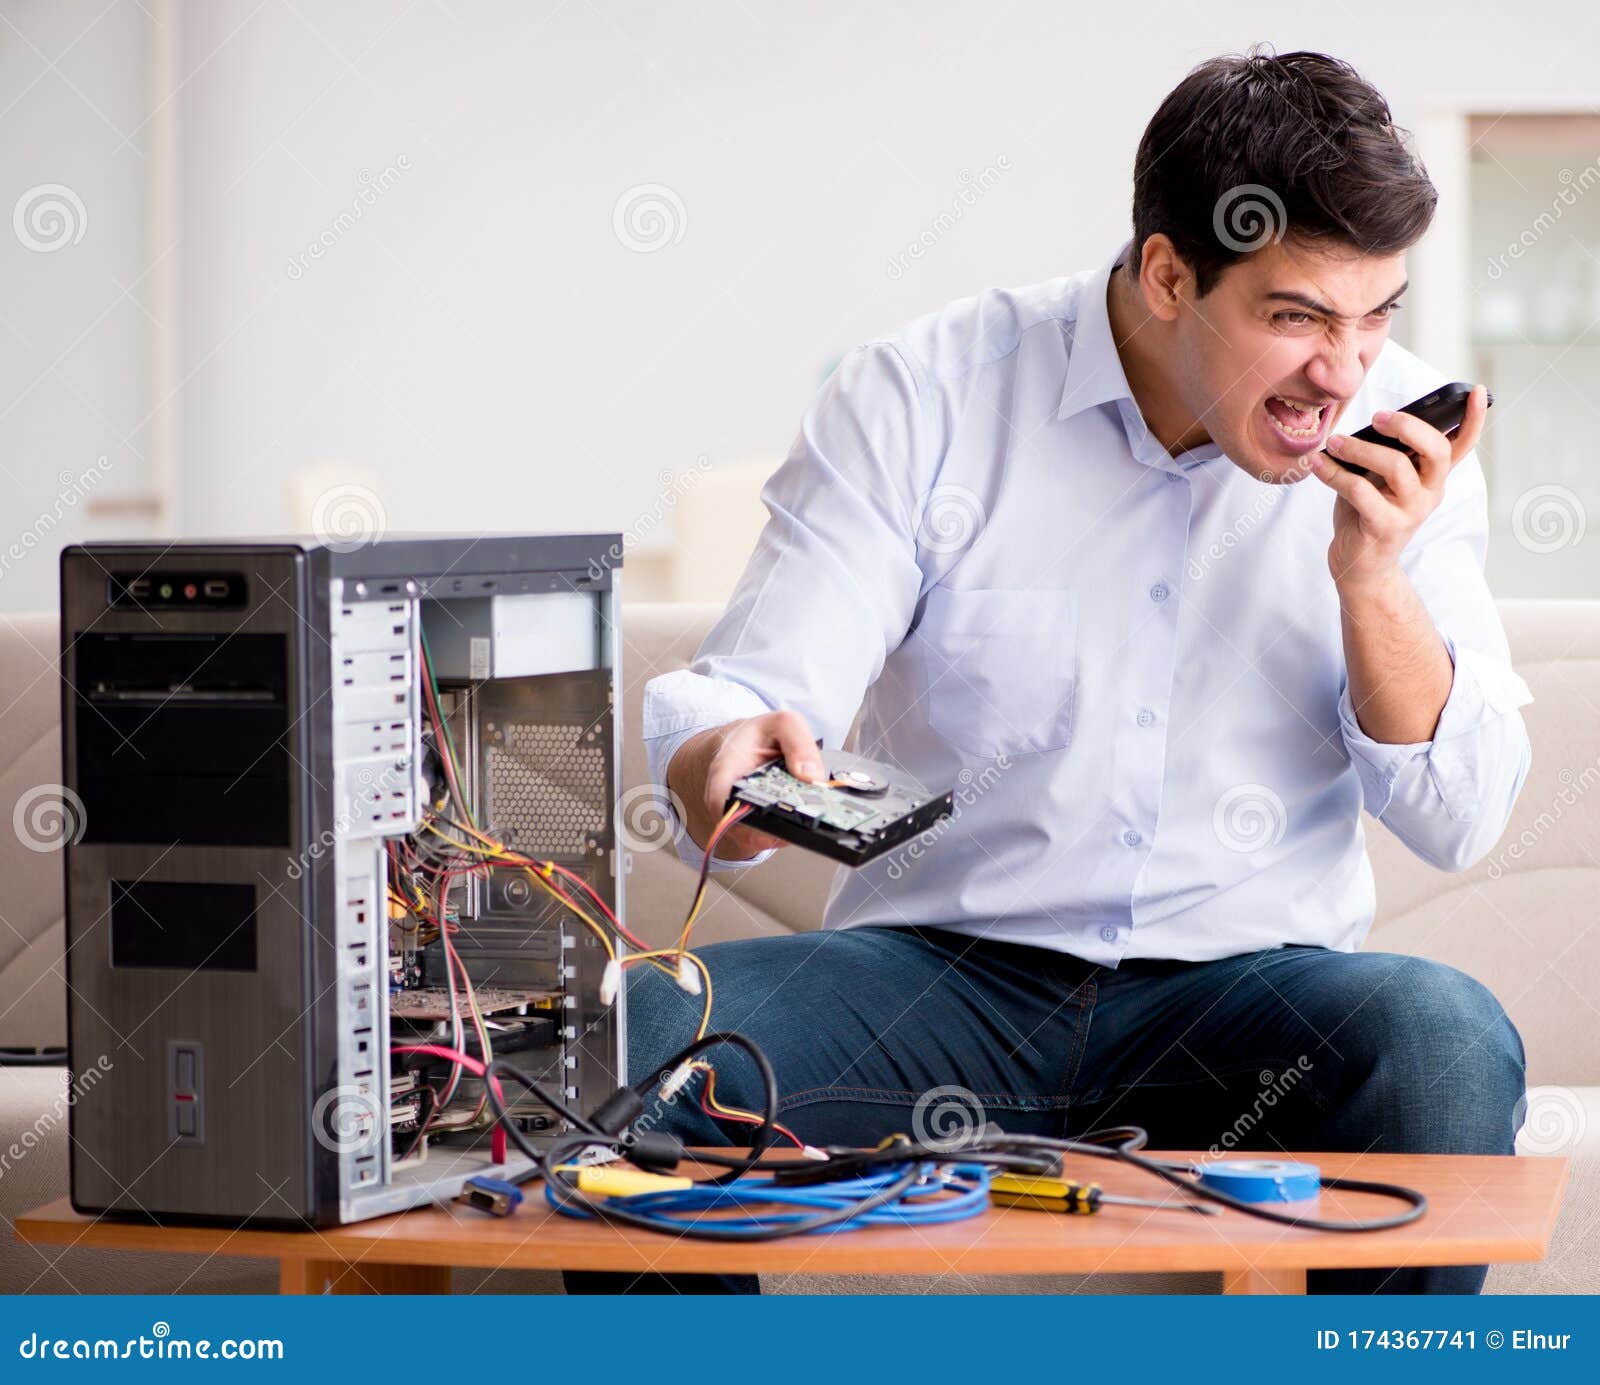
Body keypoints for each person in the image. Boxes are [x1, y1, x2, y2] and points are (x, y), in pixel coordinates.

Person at [573, 48, 1532, 1296]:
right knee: (634, 1031)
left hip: (1242, 997)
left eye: (1374, 316)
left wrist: (1370, 577)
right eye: (1294, 317)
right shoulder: (925, 397)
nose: (1341, 374)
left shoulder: (1402, 444)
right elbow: (749, 693)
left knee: (1442, 1037)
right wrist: (727, 758)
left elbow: (1459, 818)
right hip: (939, 976)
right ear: (1169, 272)